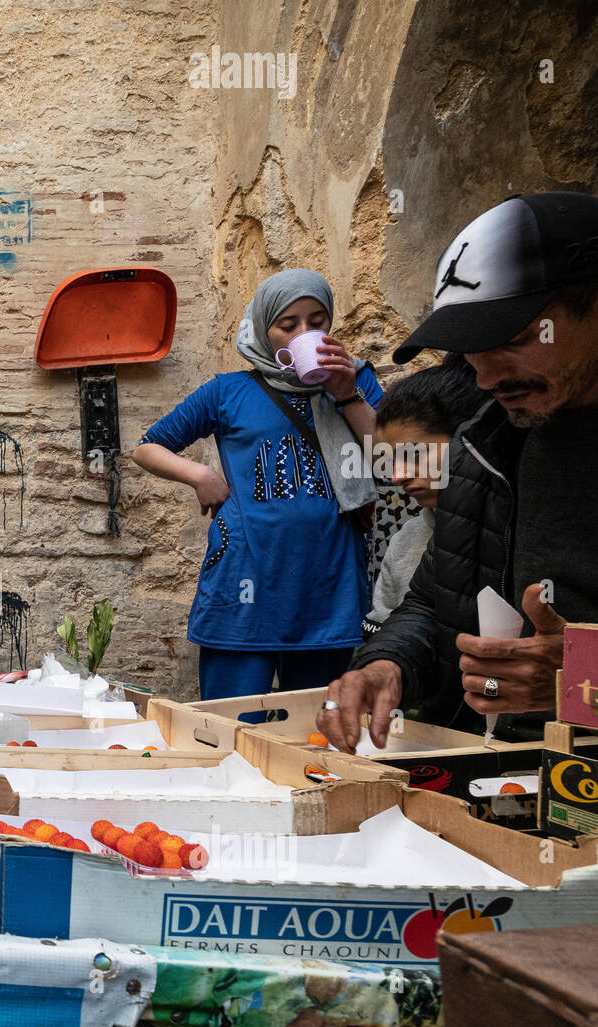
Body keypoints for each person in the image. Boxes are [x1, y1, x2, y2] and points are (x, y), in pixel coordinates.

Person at [319, 191, 598, 752]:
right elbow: (434, 598)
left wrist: (584, 681)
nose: (488, 377)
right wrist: (388, 665)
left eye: (516, 338)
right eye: (468, 349)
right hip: (515, 781)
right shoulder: (486, 448)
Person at [132, 268, 383, 703]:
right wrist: (200, 475)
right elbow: (147, 447)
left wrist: (345, 394)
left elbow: (389, 458)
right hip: (246, 575)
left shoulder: (356, 382)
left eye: (318, 321)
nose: (306, 332)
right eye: (288, 325)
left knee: (316, 729)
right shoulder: (228, 392)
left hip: (328, 576)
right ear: (266, 330)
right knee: (230, 722)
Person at [362, 363, 490, 639]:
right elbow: (385, 630)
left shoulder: (516, 537)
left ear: (468, 440)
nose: (397, 476)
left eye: (414, 455)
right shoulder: (406, 541)